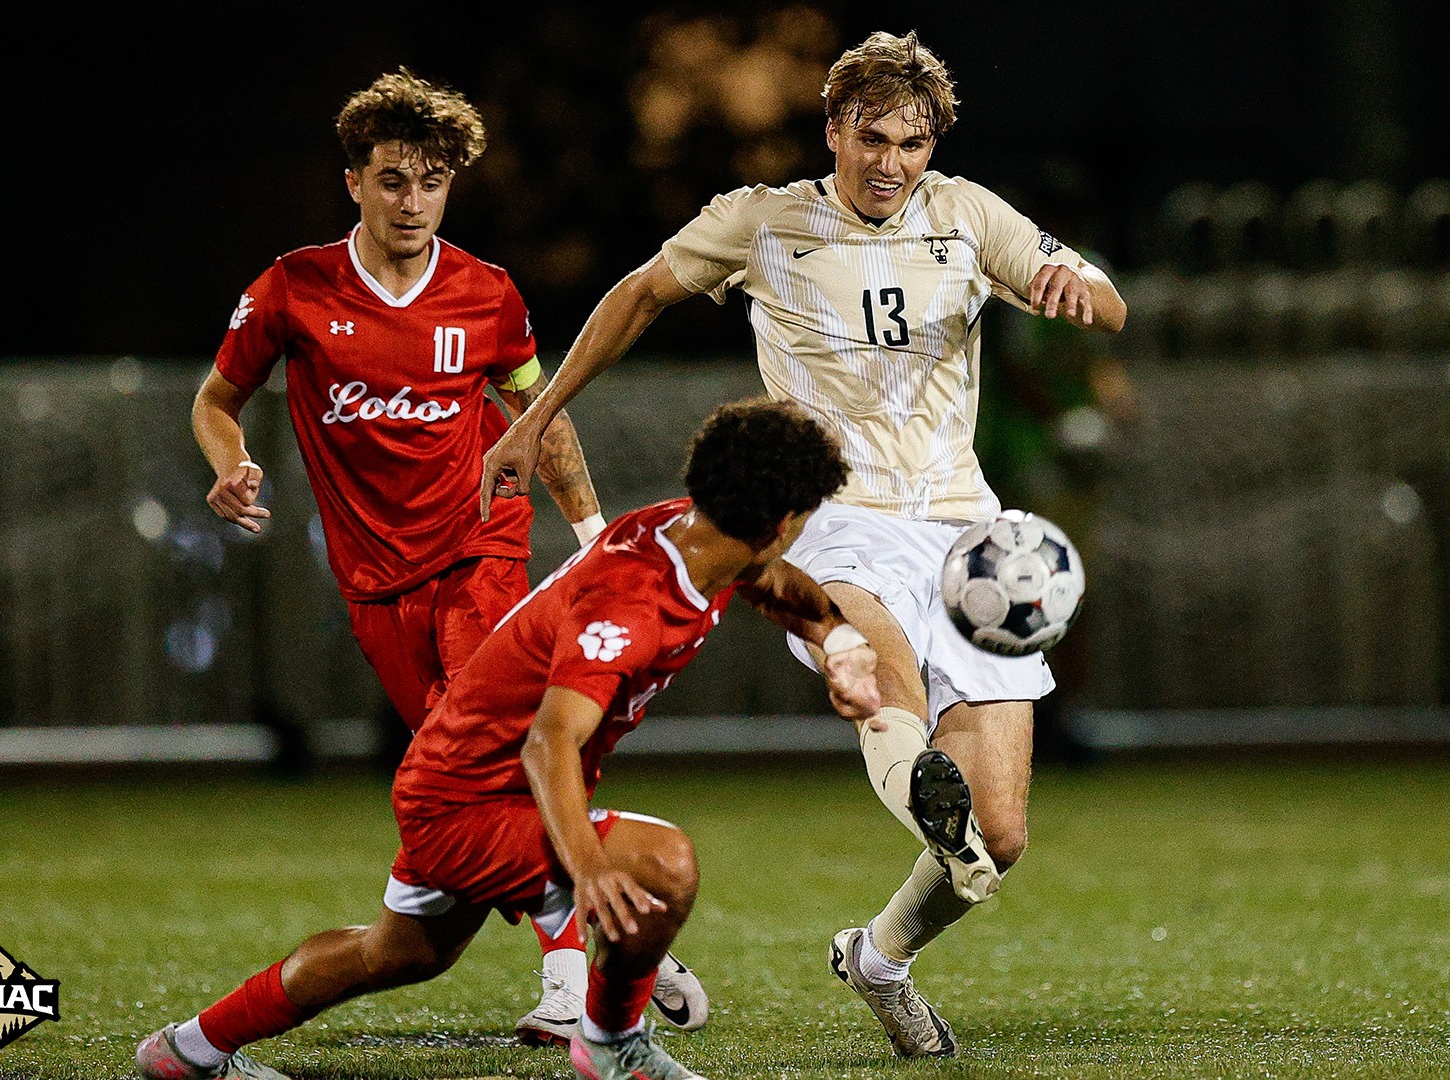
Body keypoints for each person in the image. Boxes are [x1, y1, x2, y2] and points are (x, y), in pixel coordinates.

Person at [479, 31, 1126, 1059]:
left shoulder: (969, 217)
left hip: (968, 539)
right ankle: (916, 783)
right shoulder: (764, 221)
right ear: (833, 130)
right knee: (882, 675)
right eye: (871, 138)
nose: (890, 162)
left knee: (996, 839)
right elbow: (638, 296)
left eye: (912, 143)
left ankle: (879, 957)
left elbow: (1107, 300)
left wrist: (1076, 294)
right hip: (834, 523)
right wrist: (536, 414)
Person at [139, 400, 880, 1080]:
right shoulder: (633, 600)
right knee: (664, 865)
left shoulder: (697, 530)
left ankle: (188, 1050)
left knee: (396, 954)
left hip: (454, 776)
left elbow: (775, 582)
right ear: (784, 518)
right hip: (470, 801)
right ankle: (612, 1042)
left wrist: (840, 646)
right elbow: (550, 741)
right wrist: (584, 871)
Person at [189, 65, 702, 1047]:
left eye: (430, 180)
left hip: (480, 553)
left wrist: (591, 536)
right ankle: (589, 915)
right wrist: (233, 461)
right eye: (391, 178)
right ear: (354, 182)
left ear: (450, 183)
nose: (411, 199)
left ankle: (572, 977)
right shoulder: (293, 290)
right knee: (463, 781)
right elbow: (216, 399)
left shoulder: (485, 295)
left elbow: (537, 418)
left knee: (502, 748)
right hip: (376, 585)